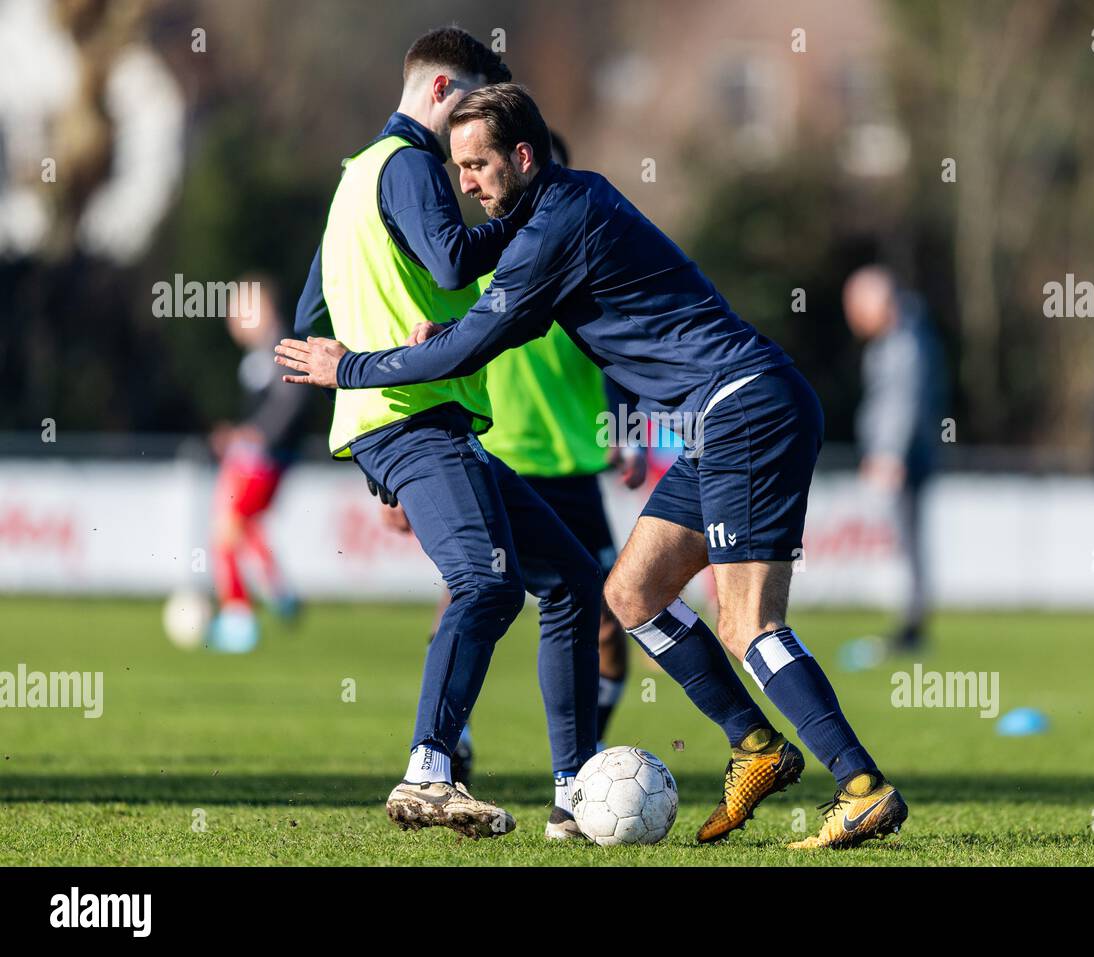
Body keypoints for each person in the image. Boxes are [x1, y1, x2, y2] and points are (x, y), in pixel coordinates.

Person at [277, 84, 908, 850]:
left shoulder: (556, 224)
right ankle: (755, 746)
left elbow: (475, 346)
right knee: (629, 592)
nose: (465, 184)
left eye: (476, 165)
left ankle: (860, 785)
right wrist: (447, 332)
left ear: (522, 156)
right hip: (727, 415)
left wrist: (349, 367)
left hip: (743, 409)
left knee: (748, 623)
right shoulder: (568, 206)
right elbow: (498, 325)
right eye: (457, 168)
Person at [292, 29, 602, 841]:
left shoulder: (354, 176)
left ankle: (574, 793)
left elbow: (308, 312)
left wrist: (350, 387)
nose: (474, 127)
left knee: (573, 578)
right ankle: (428, 770)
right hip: (413, 417)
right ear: (438, 90)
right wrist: (535, 211)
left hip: (401, 421)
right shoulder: (410, 163)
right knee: (487, 584)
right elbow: (454, 260)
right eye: (469, 101)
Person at [382, 133, 647, 784]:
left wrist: (627, 427)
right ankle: (452, 741)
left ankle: (585, 766)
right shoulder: (475, 258)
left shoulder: (581, 249)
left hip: (571, 460)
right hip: (495, 452)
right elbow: (433, 351)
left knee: (606, 616)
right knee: (470, 593)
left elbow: (614, 349)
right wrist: (397, 477)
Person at [843, 266, 945, 656]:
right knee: (908, 542)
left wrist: (889, 454)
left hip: (904, 460)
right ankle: (911, 621)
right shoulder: (900, 337)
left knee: (910, 541)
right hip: (901, 456)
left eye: (858, 308)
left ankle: (913, 624)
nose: (854, 318)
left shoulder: (903, 343)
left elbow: (902, 402)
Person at [208, 276, 312, 653]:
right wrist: (240, 434)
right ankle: (279, 593)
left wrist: (258, 435)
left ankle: (239, 618)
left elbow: (292, 400)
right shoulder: (259, 353)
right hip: (261, 457)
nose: (232, 319)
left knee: (226, 529)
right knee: (246, 528)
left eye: (239, 309)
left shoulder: (278, 347)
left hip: (265, 461)